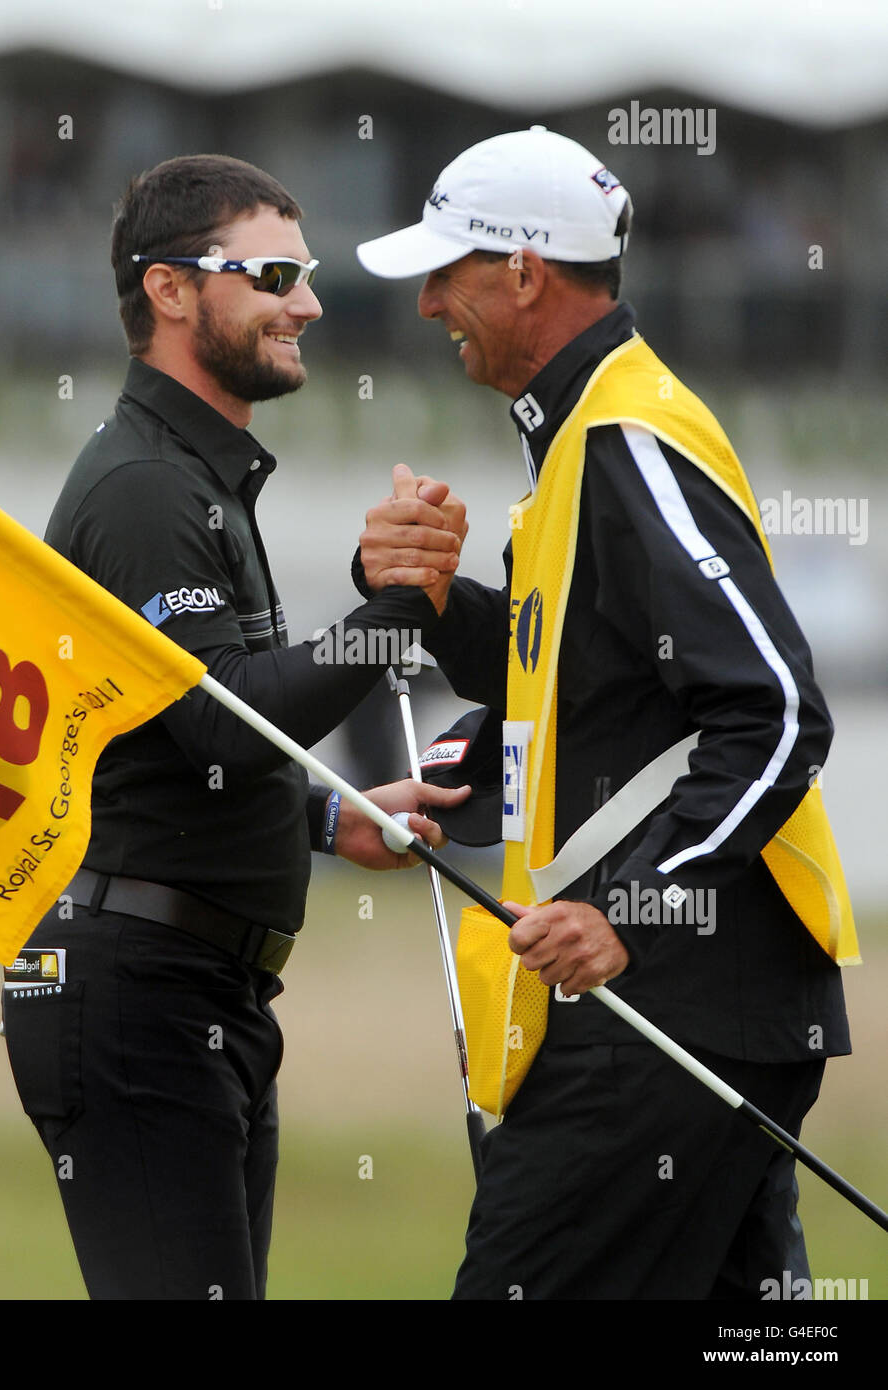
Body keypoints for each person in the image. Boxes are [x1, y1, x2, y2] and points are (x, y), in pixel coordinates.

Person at [354, 126, 857, 1299]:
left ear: (524, 272)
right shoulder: (582, 439)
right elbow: (585, 693)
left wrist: (640, 905)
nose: (430, 305)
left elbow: (777, 710)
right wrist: (428, 602)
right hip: (700, 999)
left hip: (668, 999)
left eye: (449, 271)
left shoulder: (628, 437)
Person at [0, 153, 470, 1301]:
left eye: (300, 274)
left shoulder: (193, 474)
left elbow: (174, 732)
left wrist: (323, 812)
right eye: (271, 273)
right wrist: (399, 606)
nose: (305, 302)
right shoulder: (145, 489)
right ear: (169, 291)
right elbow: (227, 726)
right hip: (137, 994)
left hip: (192, 991)